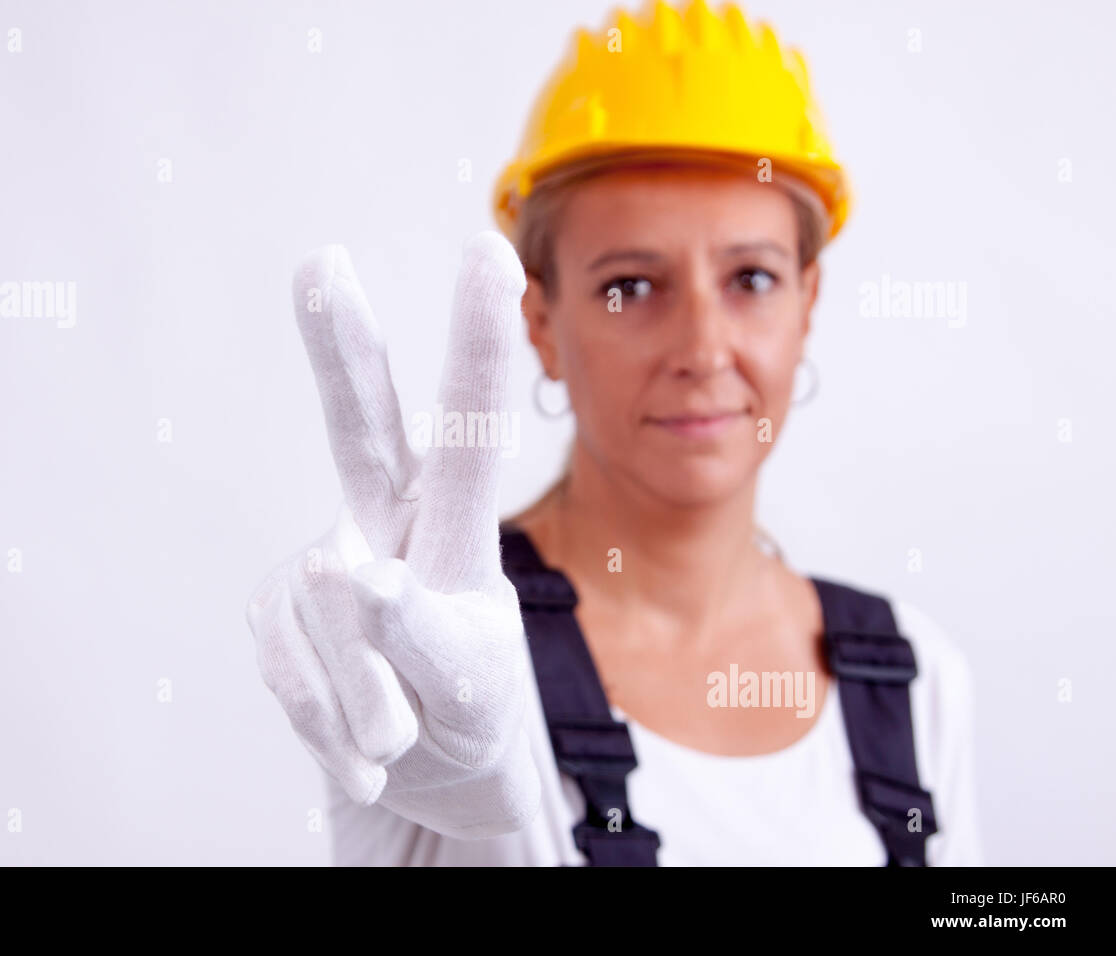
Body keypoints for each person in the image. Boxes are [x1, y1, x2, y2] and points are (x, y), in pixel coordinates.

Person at [247, 0, 982, 866]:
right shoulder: (449, 648)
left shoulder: (912, 680)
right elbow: (416, 714)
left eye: (751, 277)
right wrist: (403, 737)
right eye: (630, 287)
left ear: (807, 303)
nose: (703, 349)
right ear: (540, 319)